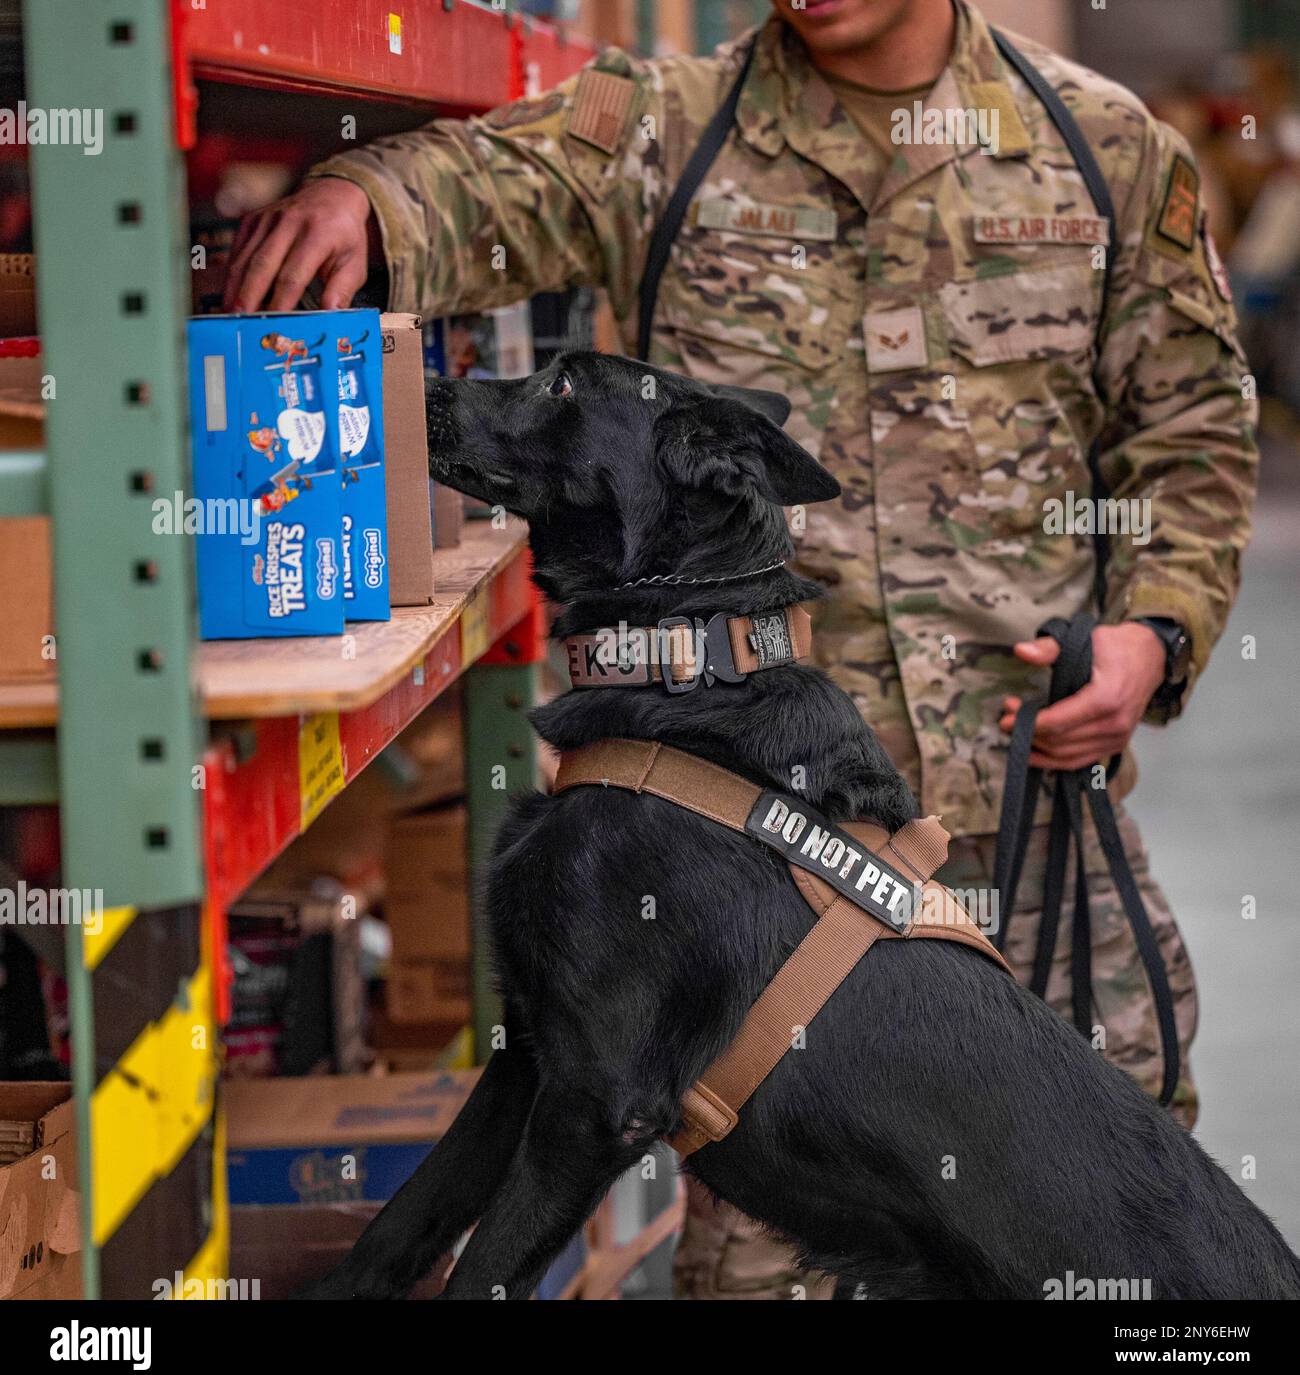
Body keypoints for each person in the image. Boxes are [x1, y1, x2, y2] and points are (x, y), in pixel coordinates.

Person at [224, 0, 1257, 1299]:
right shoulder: (664, 130)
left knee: (1124, 1260)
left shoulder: (1108, 151)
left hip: (1031, 864)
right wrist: (366, 199)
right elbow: (487, 180)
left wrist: (1153, 634)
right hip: (742, 906)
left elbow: (1193, 434)